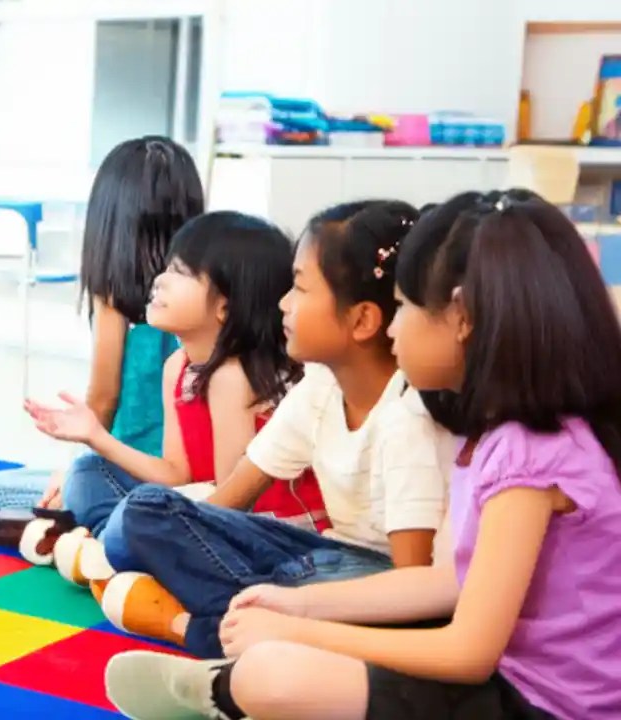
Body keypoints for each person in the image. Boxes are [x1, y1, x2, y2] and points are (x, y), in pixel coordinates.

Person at [105, 190, 621, 720]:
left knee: (274, 673)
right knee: (278, 656)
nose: (396, 328)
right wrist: (297, 605)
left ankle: (223, 691)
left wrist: (300, 629)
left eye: (409, 308)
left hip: (537, 705)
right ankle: (233, 683)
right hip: (501, 676)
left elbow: (467, 652)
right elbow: (448, 582)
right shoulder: (498, 433)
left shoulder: (528, 452)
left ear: (462, 317)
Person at [92, 201, 453, 658]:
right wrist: (178, 532)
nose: (283, 303)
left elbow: (413, 590)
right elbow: (231, 500)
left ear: (362, 319)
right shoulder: (321, 385)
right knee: (145, 512)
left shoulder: (407, 417)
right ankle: (248, 621)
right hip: (317, 556)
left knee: (278, 575)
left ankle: (212, 630)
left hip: (376, 585)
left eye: (299, 289)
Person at [20, 212, 324, 579]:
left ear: (224, 307)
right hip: (202, 505)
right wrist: (96, 437)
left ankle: (107, 550)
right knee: (87, 471)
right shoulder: (177, 366)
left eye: (180, 272)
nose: (160, 281)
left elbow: (231, 506)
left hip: (266, 530)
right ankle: (109, 548)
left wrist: (156, 512)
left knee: (143, 509)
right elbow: (176, 473)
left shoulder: (233, 377)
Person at [0, 136, 203, 513]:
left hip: (126, 471)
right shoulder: (204, 296)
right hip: (193, 480)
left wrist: (71, 472)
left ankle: (90, 520)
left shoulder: (116, 297)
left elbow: (103, 400)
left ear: (110, 221)